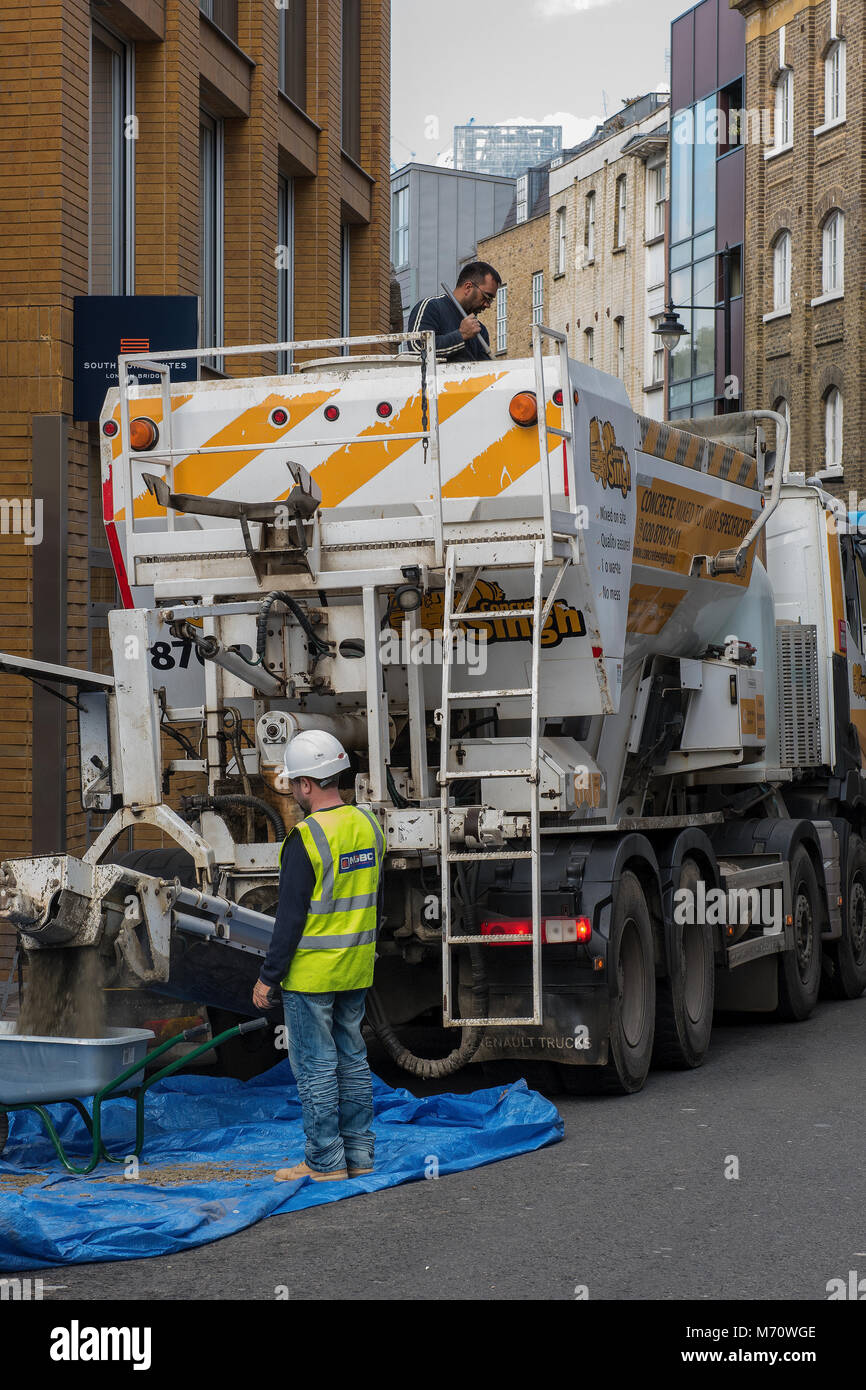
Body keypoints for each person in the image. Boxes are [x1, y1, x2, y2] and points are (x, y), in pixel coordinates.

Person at [252, 730, 384, 1183]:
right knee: (352, 1060)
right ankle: (361, 1156)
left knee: (315, 1069)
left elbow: (288, 921)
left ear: (307, 784)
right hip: (356, 966)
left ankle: (325, 1161)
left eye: (293, 783)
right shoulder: (369, 825)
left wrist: (268, 977)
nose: (292, 791)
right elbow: (375, 902)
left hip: (310, 976)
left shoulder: (304, 838)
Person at [407, 261, 502, 362]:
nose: (488, 305)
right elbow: (417, 348)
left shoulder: (480, 330)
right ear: (468, 287)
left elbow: (485, 371)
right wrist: (461, 336)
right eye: (486, 297)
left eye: (491, 300)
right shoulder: (431, 307)